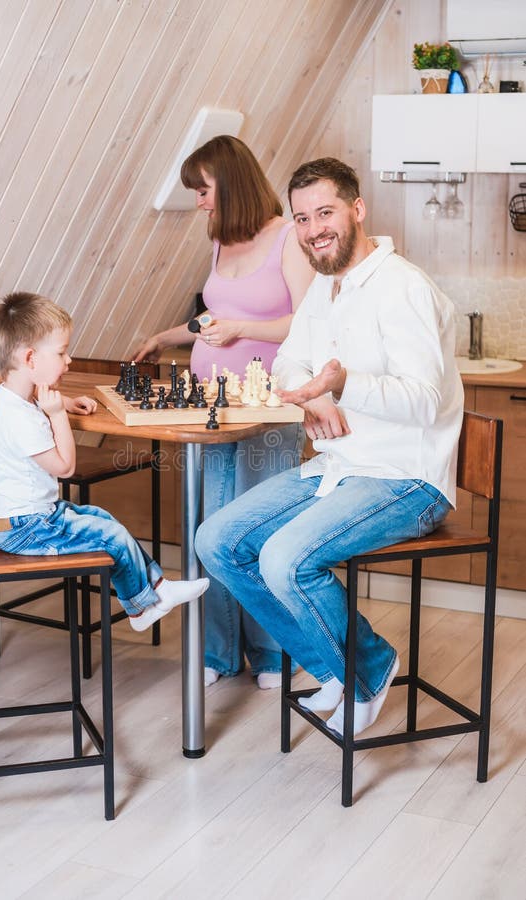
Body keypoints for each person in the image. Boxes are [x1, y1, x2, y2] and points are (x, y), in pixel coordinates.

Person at [195, 157, 464, 735]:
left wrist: (342, 386)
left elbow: (425, 401)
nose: (314, 229)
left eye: (325, 213)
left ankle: (368, 667)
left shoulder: (403, 288)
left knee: (284, 559)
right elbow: (290, 360)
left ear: (356, 209)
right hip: (339, 467)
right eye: (302, 218)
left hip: (406, 478)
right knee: (216, 540)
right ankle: (334, 665)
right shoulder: (325, 287)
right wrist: (313, 398)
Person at [134, 135, 322, 690]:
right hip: (212, 410)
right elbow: (213, 317)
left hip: (269, 410)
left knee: (259, 529)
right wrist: (165, 336)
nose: (198, 201)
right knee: (210, 527)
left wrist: (242, 329)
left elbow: (307, 323)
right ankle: (218, 652)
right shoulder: (220, 241)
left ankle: (271, 654)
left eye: (203, 189)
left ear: (231, 183)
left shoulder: (287, 238)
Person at [0, 292, 208, 631]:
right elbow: (65, 468)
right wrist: (58, 415)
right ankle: (140, 610)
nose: (69, 360)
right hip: (25, 528)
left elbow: (34, 402)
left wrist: (65, 402)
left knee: (101, 517)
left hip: (16, 518)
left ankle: (159, 587)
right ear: (30, 358)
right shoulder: (21, 419)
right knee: (111, 536)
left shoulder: (7, 396)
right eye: (61, 352)